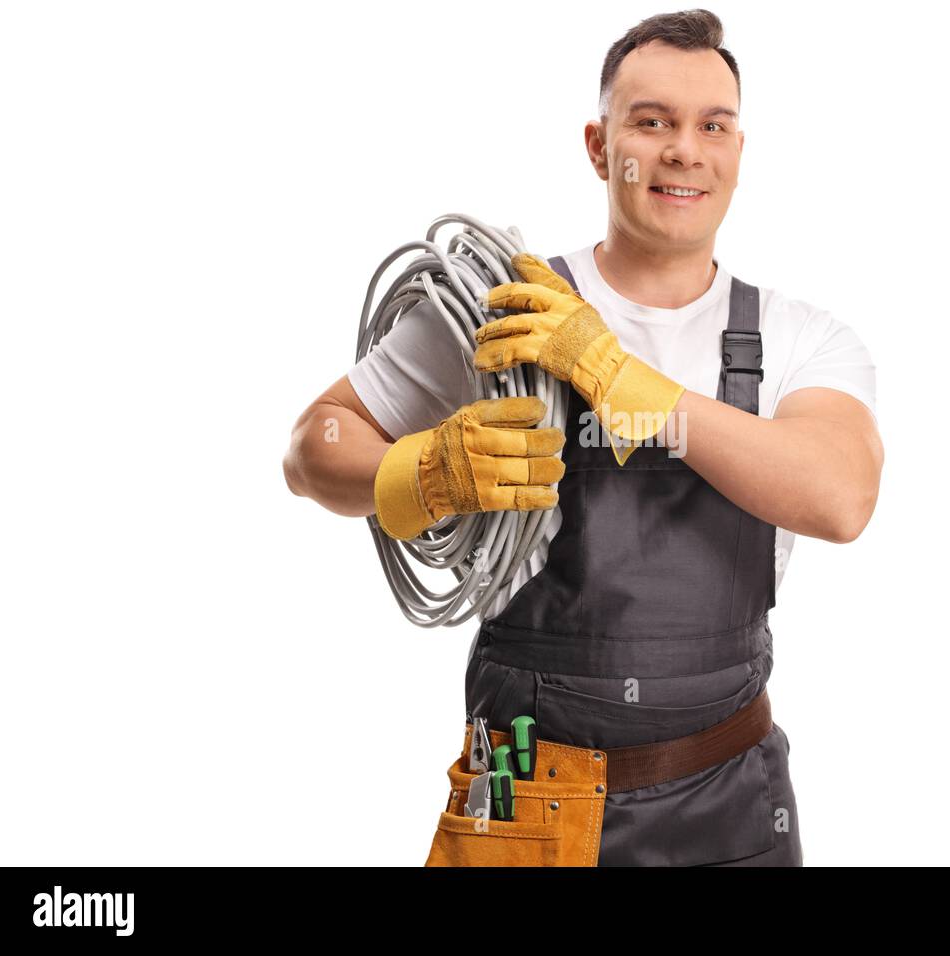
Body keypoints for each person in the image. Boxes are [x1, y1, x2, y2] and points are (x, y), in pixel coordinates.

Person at [283, 8, 884, 866]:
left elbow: (840, 495)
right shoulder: (502, 314)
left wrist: (616, 376)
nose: (683, 149)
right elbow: (314, 445)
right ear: (601, 147)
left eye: (711, 126)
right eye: (652, 122)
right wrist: (426, 474)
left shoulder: (798, 338)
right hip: (525, 802)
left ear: (737, 155)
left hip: (733, 807)